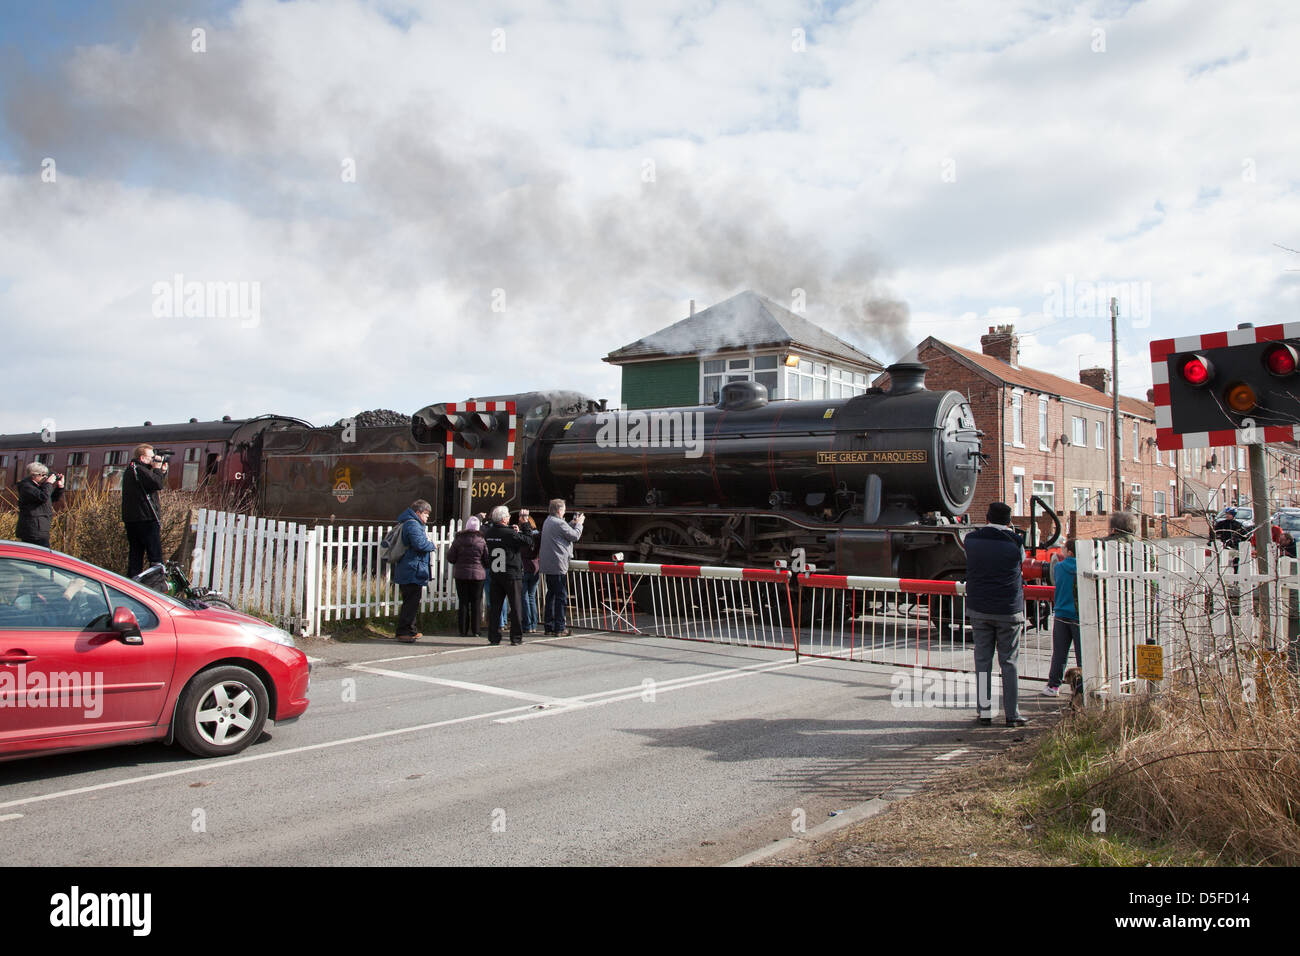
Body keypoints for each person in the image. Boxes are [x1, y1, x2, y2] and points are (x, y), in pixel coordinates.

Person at [964, 501, 1028, 727]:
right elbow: (1021, 563)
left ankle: (985, 712)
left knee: (982, 661)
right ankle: (1012, 714)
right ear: (1009, 521)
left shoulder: (971, 540)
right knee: (1009, 662)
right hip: (1008, 609)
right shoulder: (1015, 541)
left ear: (987, 517)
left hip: (979, 607)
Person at [482, 505, 534, 645]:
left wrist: (516, 532)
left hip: (496, 573)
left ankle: (494, 636)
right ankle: (516, 637)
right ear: (504, 519)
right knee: (516, 606)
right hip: (511, 573)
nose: (510, 518)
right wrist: (525, 524)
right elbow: (528, 541)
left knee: (495, 607)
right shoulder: (509, 534)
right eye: (508, 516)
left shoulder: (489, 533)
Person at [392, 499, 439, 643]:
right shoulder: (413, 525)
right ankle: (404, 631)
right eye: (426, 514)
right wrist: (432, 545)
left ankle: (411, 630)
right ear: (418, 512)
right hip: (412, 568)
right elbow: (419, 544)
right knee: (410, 602)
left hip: (412, 567)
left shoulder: (411, 523)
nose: (427, 517)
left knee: (412, 601)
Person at [122, 444, 168, 577]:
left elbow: (151, 485)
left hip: (134, 520)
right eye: (151, 457)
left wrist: (161, 472)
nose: (154, 459)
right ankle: (155, 586)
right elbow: (157, 484)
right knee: (155, 559)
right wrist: (158, 469)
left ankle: (133, 585)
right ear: (142, 458)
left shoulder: (134, 470)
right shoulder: (139, 470)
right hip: (146, 519)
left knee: (135, 557)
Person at [539, 498, 583, 637]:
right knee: (560, 596)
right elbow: (575, 536)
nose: (565, 512)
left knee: (551, 595)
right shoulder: (558, 523)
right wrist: (579, 524)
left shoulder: (548, 521)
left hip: (548, 564)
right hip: (558, 565)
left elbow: (562, 530)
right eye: (564, 510)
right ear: (559, 510)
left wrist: (572, 523)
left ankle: (549, 626)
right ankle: (559, 627)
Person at [1043, 538, 1080, 697]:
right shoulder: (1084, 567)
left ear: (1069, 552)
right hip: (1079, 615)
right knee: (1082, 654)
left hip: (1061, 614)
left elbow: (1054, 580)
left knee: (1059, 653)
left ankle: (1053, 685)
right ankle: (1082, 685)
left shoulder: (1059, 567)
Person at [446, 515, 488, 637]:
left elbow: (450, 557)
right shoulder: (481, 541)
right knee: (476, 602)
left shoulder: (458, 540)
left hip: (461, 575)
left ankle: (463, 630)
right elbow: (486, 559)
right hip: (478, 575)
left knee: (463, 602)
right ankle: (476, 630)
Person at [16, 462, 64, 547]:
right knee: (41, 556)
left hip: (39, 530)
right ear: (33, 475)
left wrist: (59, 487)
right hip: (33, 531)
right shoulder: (26, 487)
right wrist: (49, 483)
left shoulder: (38, 487)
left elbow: (51, 499)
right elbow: (43, 497)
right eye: (43, 475)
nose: (45, 477)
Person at [517, 508, 541, 633]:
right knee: (532, 597)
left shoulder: (522, 537)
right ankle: (533, 624)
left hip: (524, 567)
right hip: (535, 567)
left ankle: (527, 624)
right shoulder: (538, 536)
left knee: (524, 597)